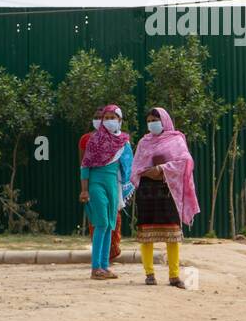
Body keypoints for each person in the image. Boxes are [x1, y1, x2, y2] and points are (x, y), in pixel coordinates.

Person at [130, 107, 199, 288]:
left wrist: (162, 170)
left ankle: (174, 276)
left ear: (165, 120)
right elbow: (135, 167)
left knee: (172, 234)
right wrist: (148, 172)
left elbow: (185, 162)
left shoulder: (176, 140)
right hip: (147, 192)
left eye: (156, 119)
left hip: (169, 192)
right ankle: (149, 274)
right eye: (150, 120)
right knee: (147, 234)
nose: (152, 123)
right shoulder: (144, 142)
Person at [78, 104, 133, 281]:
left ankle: (104, 266)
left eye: (113, 117)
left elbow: (128, 166)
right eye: (106, 118)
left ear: (120, 120)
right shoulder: (95, 140)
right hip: (96, 185)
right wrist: (84, 190)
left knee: (110, 225)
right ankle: (96, 268)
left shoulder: (124, 141)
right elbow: (85, 165)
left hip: (113, 185)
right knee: (101, 224)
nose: (109, 121)